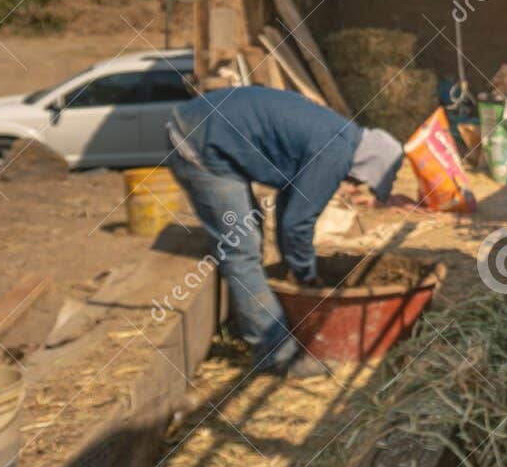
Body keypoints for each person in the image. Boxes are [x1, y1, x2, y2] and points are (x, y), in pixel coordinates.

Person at [165, 85, 405, 377]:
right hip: (200, 142)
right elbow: (297, 223)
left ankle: (256, 320)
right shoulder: (335, 153)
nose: (355, 184)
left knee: (249, 231)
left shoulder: (340, 134)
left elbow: (289, 203)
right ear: (368, 166)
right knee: (242, 248)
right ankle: (275, 354)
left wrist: (295, 262)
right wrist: (306, 276)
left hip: (205, 125)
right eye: (363, 180)